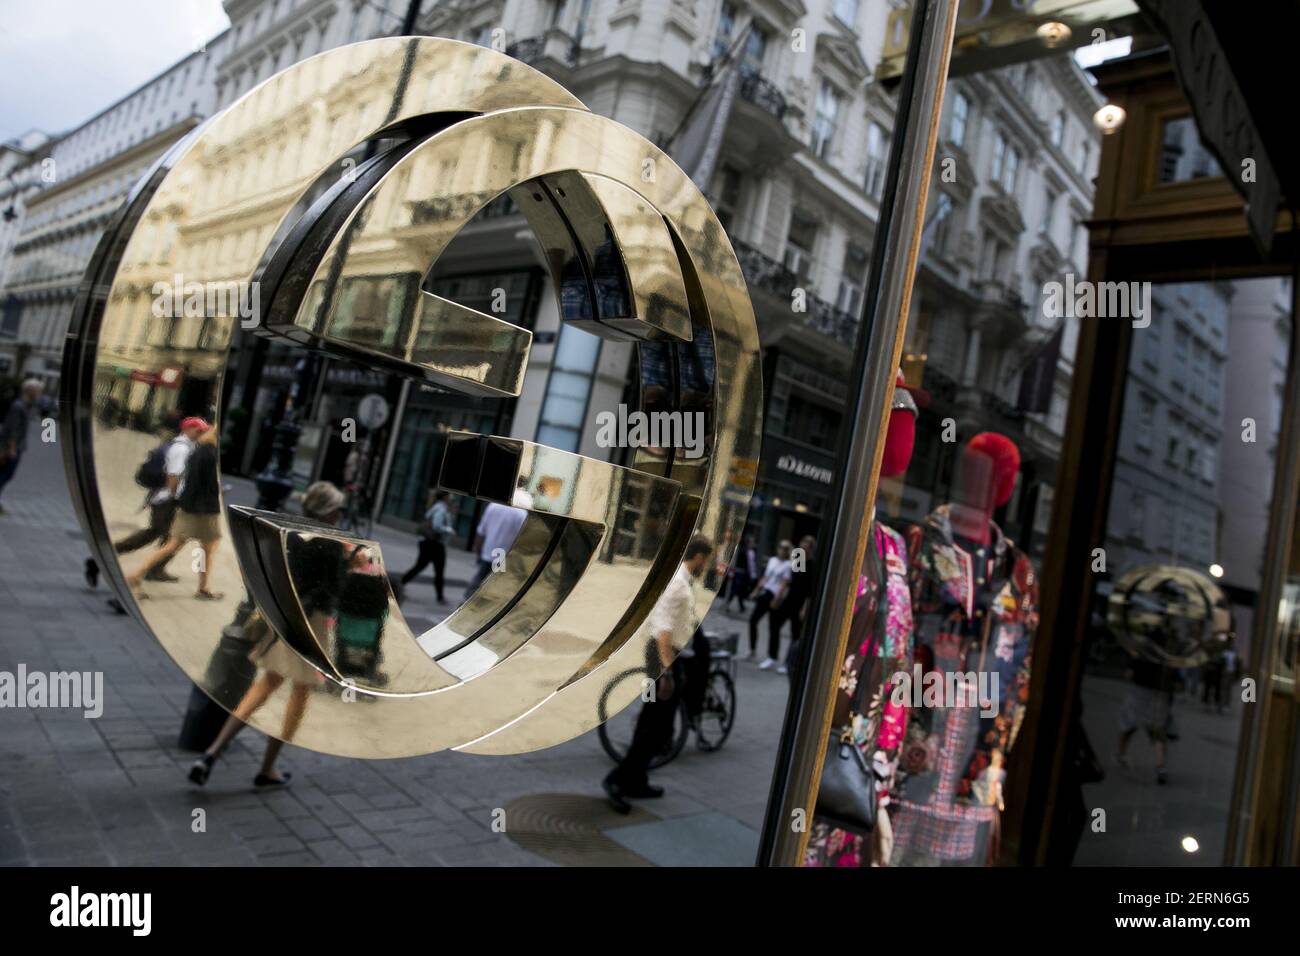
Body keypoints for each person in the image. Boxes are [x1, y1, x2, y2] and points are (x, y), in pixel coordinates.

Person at [189, 481, 349, 789]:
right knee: (299, 695)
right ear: (329, 512)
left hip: (283, 618)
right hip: (311, 625)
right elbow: (334, 590)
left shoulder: (288, 532)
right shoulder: (329, 543)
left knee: (263, 687)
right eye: (337, 509)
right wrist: (348, 564)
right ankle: (268, 767)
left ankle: (211, 753)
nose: (340, 515)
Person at [603, 536, 714, 813]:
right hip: (662, 656)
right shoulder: (678, 584)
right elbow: (662, 630)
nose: (707, 565)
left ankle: (637, 780)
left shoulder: (681, 579)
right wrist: (666, 672)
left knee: (655, 725)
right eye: (707, 560)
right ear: (699, 556)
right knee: (655, 727)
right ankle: (617, 781)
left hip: (664, 655)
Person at [127, 423, 224, 599]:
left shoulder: (199, 450)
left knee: (173, 545)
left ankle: (136, 575)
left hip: (188, 507)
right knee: (208, 548)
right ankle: (203, 588)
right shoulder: (209, 455)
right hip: (204, 510)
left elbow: (190, 481)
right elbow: (205, 485)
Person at [1117, 633, 1175, 785]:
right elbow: (1172, 680)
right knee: (1157, 733)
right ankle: (1160, 766)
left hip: (1138, 692)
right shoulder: (1166, 657)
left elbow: (1128, 674)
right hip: (1159, 696)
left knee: (1129, 724)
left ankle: (1121, 754)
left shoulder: (1141, 654)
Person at [771, 535, 817, 676]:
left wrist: (805, 608)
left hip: (801, 602)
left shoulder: (812, 565)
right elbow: (790, 579)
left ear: (811, 547)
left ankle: (787, 662)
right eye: (802, 542)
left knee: (795, 634)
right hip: (790, 598)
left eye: (807, 544)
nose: (803, 545)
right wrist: (779, 597)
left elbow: (810, 589)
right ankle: (772, 656)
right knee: (775, 623)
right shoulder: (799, 559)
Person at [464, 495, 528, 597]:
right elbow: (522, 540)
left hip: (489, 551)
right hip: (503, 555)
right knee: (495, 583)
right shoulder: (521, 514)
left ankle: (467, 598)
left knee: (481, 577)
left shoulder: (493, 506)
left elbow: (481, 531)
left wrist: (477, 548)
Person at [748, 539, 793, 668]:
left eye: (785, 548)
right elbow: (765, 577)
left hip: (774, 596)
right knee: (753, 620)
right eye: (781, 547)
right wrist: (756, 591)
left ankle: (772, 656)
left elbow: (784, 584)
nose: (782, 550)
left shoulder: (788, 565)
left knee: (774, 627)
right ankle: (752, 650)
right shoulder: (772, 560)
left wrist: (777, 599)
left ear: (788, 551)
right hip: (765, 593)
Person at [0, 378, 42, 514]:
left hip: (16, 446)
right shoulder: (19, 406)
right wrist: (11, 448)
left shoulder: (26, 406)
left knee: (6, 474)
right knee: (5, 474)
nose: (39, 392)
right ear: (30, 390)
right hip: (11, 448)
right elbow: (12, 429)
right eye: (38, 390)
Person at [402, 490, 452, 603]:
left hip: (429, 543)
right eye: (450, 496)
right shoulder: (441, 509)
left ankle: (399, 584)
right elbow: (436, 526)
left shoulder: (436, 506)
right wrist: (449, 530)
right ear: (445, 497)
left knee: (421, 566)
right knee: (437, 569)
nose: (451, 499)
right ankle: (440, 597)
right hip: (434, 544)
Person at [724, 535, 758, 614]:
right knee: (736, 590)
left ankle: (741, 606)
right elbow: (750, 565)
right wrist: (753, 575)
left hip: (740, 573)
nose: (753, 544)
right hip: (741, 574)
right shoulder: (748, 552)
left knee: (740, 590)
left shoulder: (745, 551)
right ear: (748, 543)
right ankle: (729, 605)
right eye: (752, 542)